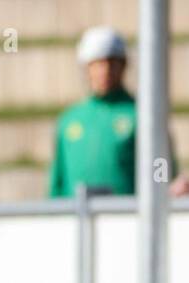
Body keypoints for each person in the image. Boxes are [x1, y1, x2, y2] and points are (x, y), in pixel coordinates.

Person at [49, 27, 138, 198]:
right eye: (97, 64)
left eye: (111, 63)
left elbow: (163, 171)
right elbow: (57, 181)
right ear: (86, 68)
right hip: (75, 219)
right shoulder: (69, 120)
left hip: (127, 220)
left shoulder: (142, 116)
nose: (104, 71)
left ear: (124, 65)